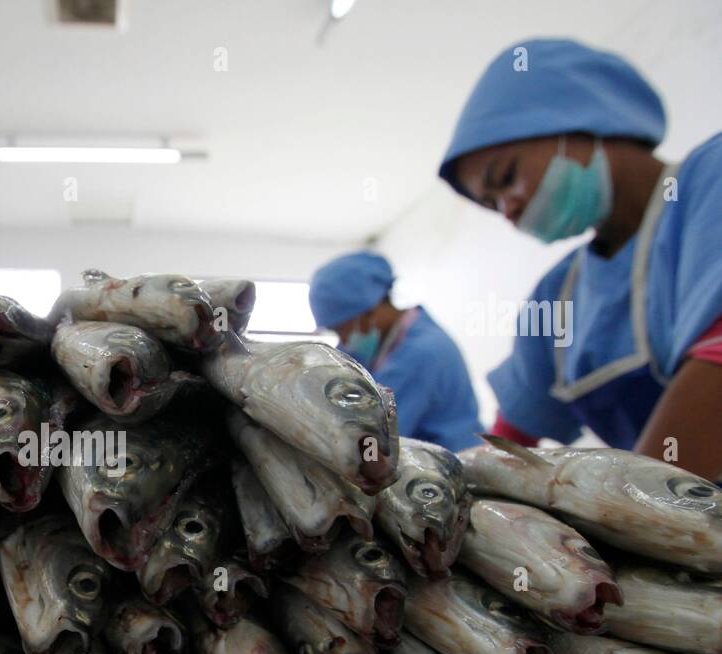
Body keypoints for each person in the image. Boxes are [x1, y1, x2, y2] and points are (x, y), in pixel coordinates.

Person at [439, 38, 722, 478]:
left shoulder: (710, 182)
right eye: (493, 205)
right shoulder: (558, 295)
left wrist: (628, 511)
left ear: (582, 118)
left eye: (506, 178)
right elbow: (508, 445)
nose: (508, 210)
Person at [309, 250, 484, 452]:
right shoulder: (384, 344)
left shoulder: (422, 353)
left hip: (449, 462)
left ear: (369, 312)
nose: (344, 341)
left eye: (342, 329)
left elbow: (376, 438)